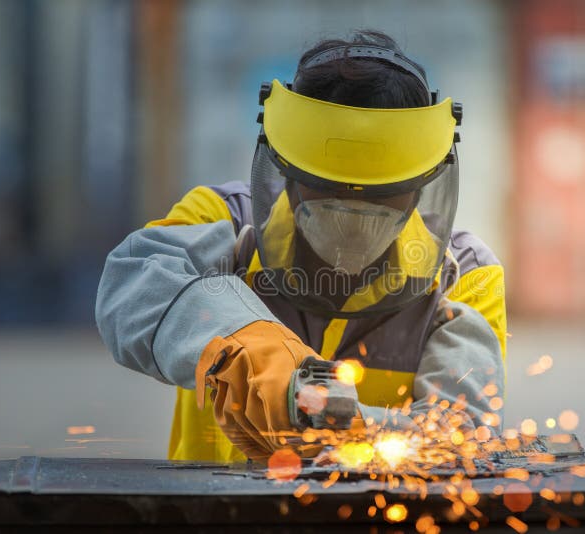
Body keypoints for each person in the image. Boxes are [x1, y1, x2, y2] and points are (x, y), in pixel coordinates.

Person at [96, 30, 507, 463]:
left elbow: (464, 435)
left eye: (380, 194)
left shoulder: (463, 274)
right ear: (288, 176)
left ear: (420, 187)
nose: (354, 211)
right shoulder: (222, 220)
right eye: (330, 192)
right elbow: (132, 283)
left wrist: (346, 429)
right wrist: (247, 346)